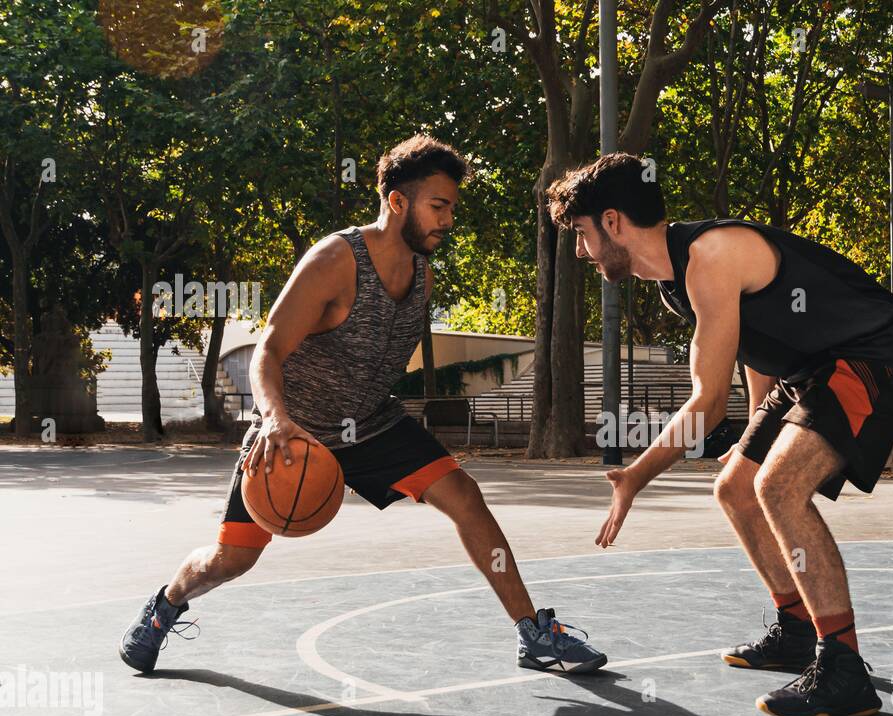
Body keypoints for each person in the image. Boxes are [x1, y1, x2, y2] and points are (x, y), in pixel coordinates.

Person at [120, 135, 606, 677]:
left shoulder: (422, 272)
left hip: (371, 423)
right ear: (397, 202)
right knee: (230, 559)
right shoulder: (335, 260)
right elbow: (268, 349)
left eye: (451, 208)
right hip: (293, 431)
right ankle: (165, 605)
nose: (448, 220)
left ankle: (533, 633)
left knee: (465, 496)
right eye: (438, 206)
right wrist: (275, 419)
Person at [548, 152, 893, 716]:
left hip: (868, 353)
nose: (580, 250)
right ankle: (797, 628)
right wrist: (756, 430)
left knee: (778, 488)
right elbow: (754, 343)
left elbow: (706, 400)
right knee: (736, 488)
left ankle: (844, 669)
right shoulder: (674, 276)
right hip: (806, 372)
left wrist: (635, 476)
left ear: (614, 222)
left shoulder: (710, 256)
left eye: (581, 233)